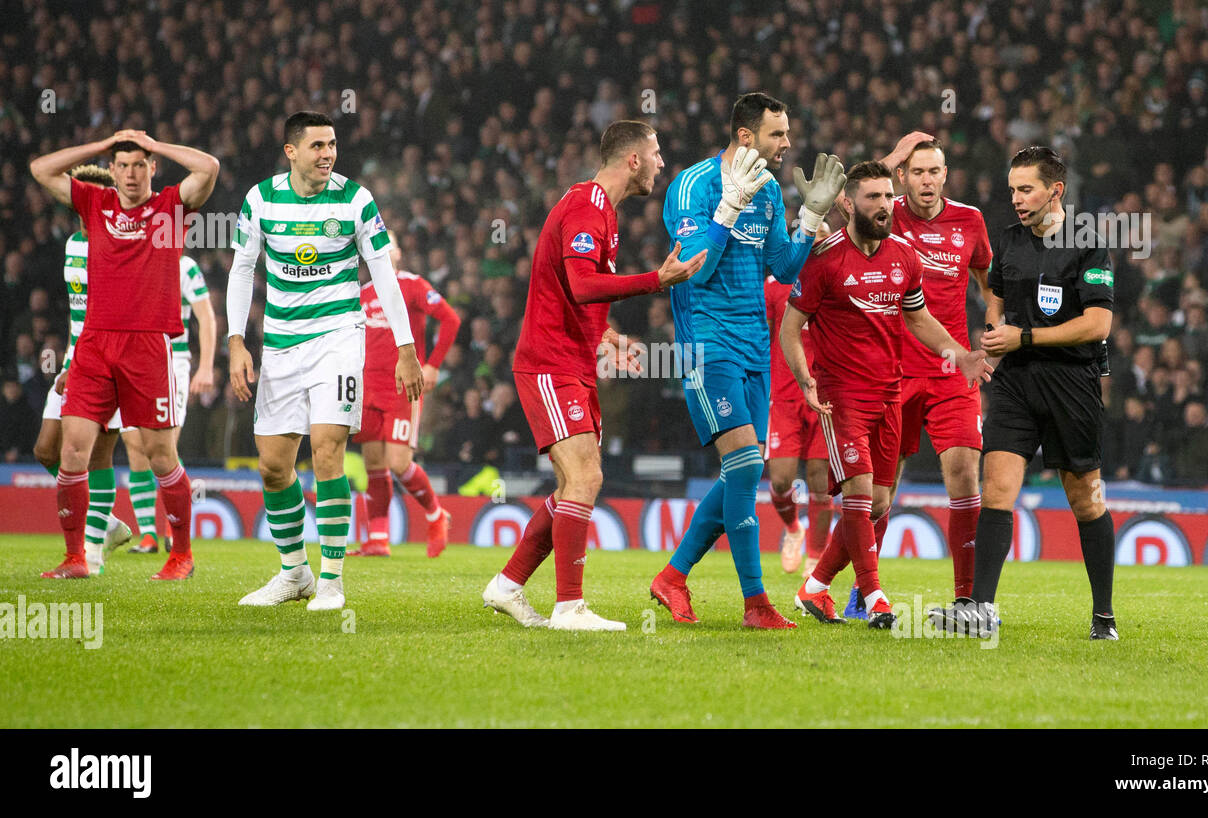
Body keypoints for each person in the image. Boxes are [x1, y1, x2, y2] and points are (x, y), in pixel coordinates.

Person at [482, 120, 705, 631]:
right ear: (632, 160)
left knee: (571, 487)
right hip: (549, 363)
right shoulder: (588, 207)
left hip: (574, 361)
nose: (661, 163)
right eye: (656, 153)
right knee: (586, 477)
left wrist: (604, 337)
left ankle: (508, 584)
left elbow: (571, 290)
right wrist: (657, 281)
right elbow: (584, 285)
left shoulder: (600, 209)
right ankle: (569, 607)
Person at [648, 92, 846, 629]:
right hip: (707, 343)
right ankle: (756, 603)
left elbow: (782, 269)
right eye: (777, 134)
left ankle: (672, 576)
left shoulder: (768, 192)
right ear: (745, 136)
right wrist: (725, 211)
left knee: (744, 472)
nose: (786, 144)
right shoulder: (692, 185)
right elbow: (696, 270)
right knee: (743, 467)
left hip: (756, 345)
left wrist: (810, 217)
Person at [227, 111, 423, 611]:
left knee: (327, 452)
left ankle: (332, 580)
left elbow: (383, 274)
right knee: (273, 466)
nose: (328, 154)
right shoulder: (260, 199)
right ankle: (295, 573)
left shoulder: (355, 200)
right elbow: (242, 269)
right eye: (317, 146)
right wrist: (235, 342)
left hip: (338, 336)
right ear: (290, 151)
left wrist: (406, 348)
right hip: (280, 343)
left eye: (332, 144)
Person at [781, 160, 990, 627]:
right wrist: (805, 379)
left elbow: (918, 318)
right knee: (857, 493)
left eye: (886, 196)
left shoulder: (904, 257)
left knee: (877, 504)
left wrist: (960, 354)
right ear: (846, 203)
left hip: (889, 395)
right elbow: (790, 328)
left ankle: (814, 588)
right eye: (872, 198)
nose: (883, 206)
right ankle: (875, 598)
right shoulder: (824, 258)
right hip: (841, 396)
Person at [931, 146, 1118, 641]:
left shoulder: (1089, 244)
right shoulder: (1009, 240)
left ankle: (1104, 615)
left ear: (1055, 190)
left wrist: (1025, 337)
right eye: (1012, 188)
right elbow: (995, 295)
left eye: (1026, 188)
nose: (1015, 198)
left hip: (1072, 384)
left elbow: (1098, 324)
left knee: (1085, 500)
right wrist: (995, 330)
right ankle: (981, 609)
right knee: (995, 489)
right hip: (1015, 382)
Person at [28, 130, 219, 580]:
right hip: (94, 345)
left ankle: (182, 555)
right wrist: (102, 146)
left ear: (152, 168)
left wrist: (154, 144)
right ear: (112, 171)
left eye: (140, 165)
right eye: (123, 165)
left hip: (148, 345)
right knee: (72, 452)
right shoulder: (96, 205)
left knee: (158, 455)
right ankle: (77, 557)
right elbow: (40, 169)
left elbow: (208, 167)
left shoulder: (170, 208)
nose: (131, 174)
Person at [859, 137, 994, 616]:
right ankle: (865, 589)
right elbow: (842, 200)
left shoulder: (970, 221)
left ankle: (968, 598)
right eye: (917, 172)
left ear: (945, 174)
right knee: (878, 493)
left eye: (935, 171)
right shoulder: (884, 213)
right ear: (903, 177)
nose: (927, 180)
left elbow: (988, 285)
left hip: (951, 370)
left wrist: (991, 337)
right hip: (892, 370)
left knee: (963, 472)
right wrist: (890, 157)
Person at [31, 164, 134, 574]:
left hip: (106, 359)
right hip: (77, 353)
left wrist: (78, 364)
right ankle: (106, 524)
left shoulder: (118, 244)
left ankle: (89, 552)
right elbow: (80, 311)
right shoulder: (74, 243)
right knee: (44, 450)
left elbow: (112, 312)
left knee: (99, 458)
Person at [352, 242, 461, 558]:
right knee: (373, 462)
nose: (383, 252)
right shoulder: (363, 292)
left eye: (390, 246)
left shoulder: (413, 285)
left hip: (403, 387)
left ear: (398, 253)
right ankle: (378, 538)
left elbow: (450, 320)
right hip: (367, 387)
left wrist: (433, 364)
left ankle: (435, 514)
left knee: (399, 463)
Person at [122, 254, 216, 554]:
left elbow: (206, 316)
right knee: (134, 445)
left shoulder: (184, 266)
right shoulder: (128, 258)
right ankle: (148, 535)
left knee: (163, 447)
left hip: (171, 361)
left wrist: (206, 366)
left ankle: (174, 531)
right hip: (132, 360)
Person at [762, 275, 832, 577]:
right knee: (780, 480)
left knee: (820, 483)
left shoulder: (835, 279)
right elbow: (761, 335)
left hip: (825, 396)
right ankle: (793, 530)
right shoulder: (775, 284)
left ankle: (816, 558)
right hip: (784, 395)